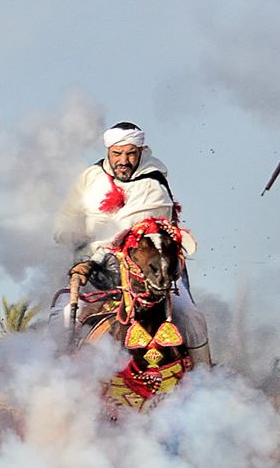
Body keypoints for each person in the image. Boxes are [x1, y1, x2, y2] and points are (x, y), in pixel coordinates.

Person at [54, 122, 211, 367]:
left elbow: (162, 231)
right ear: (108, 152)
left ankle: (206, 381)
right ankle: (61, 385)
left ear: (141, 151)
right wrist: (80, 240)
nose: (124, 160)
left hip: (154, 273)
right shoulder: (89, 178)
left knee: (192, 317)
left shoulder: (154, 181)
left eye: (130, 153)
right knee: (64, 316)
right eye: (117, 154)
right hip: (96, 271)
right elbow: (65, 222)